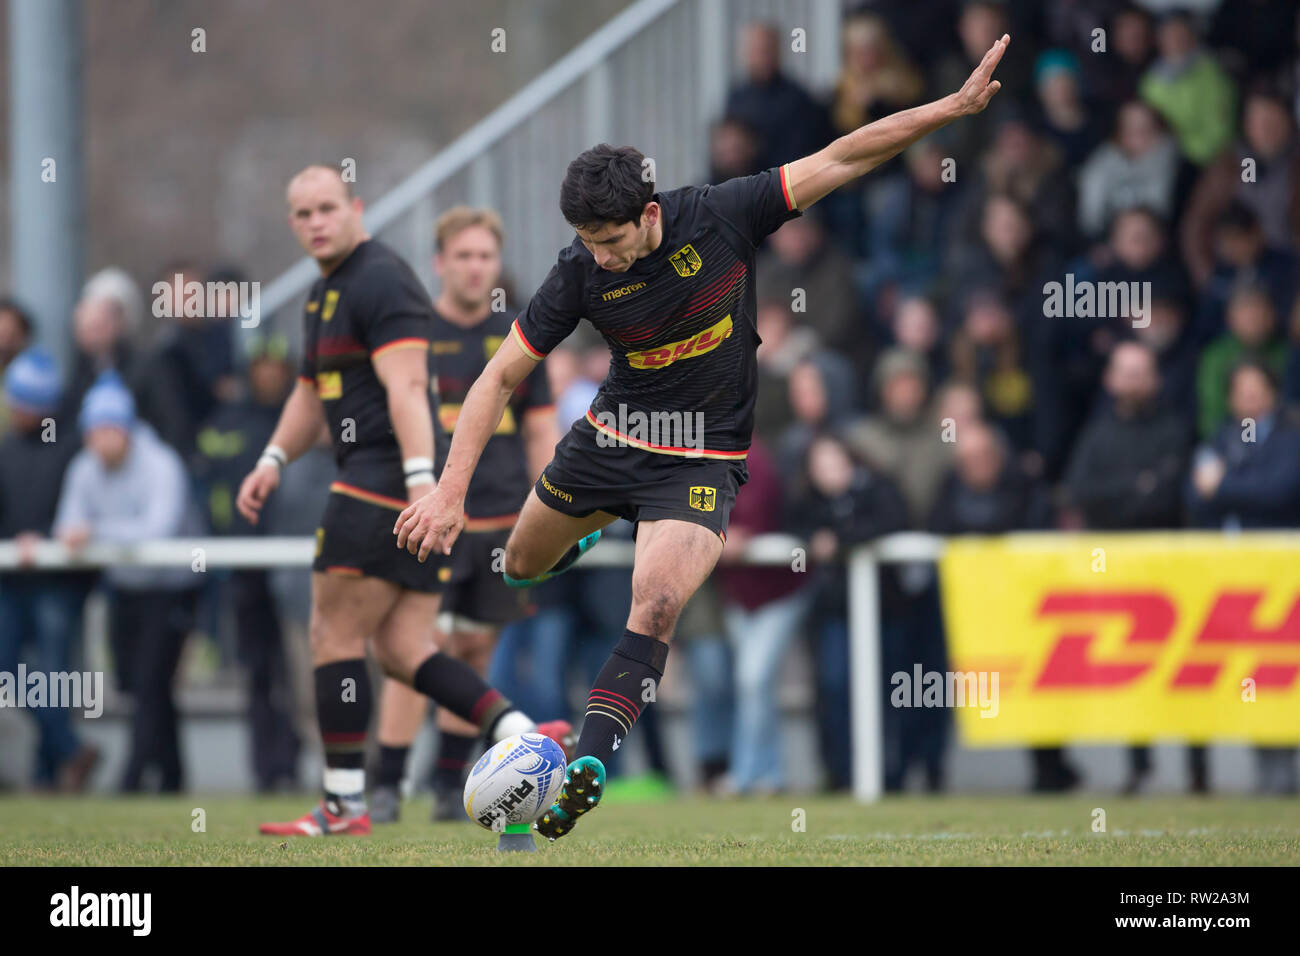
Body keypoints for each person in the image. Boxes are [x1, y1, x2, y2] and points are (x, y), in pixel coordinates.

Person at [396, 35, 1013, 841]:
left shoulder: (723, 214)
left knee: (654, 602)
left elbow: (845, 154)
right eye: (588, 242)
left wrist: (950, 109)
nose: (601, 259)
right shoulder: (578, 271)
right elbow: (497, 379)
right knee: (518, 565)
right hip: (612, 437)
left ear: (650, 215)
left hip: (703, 456)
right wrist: (448, 490)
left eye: (611, 241)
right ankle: (586, 534)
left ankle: (587, 764)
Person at [239, 166, 568, 837]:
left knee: (332, 633)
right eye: (302, 214)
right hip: (409, 493)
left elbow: (408, 385)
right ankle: (519, 729)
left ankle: (345, 804)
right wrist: (273, 458)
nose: (315, 222)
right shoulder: (324, 292)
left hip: (378, 486)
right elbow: (311, 392)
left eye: (327, 207)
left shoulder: (379, 278)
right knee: (403, 649)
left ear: (356, 207)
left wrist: (423, 487)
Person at [369, 206, 560, 823]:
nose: (477, 268)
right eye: (465, 256)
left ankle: (450, 784)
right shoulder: (413, 336)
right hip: (430, 524)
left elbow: (538, 432)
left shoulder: (520, 335)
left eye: (486, 257)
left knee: (475, 650)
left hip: (501, 523)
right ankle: (387, 782)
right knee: (415, 652)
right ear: (440, 263)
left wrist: (548, 509)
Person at [53, 372, 202, 792]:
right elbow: (68, 523)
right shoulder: (84, 468)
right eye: (93, 432)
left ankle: (133, 778)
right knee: (138, 685)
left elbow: (159, 529)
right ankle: (173, 776)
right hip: (127, 589)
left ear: (126, 429)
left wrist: (95, 532)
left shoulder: (162, 463)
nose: (100, 441)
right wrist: (86, 532)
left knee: (152, 679)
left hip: (173, 587)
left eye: (108, 430)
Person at [192, 333, 302, 792]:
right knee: (258, 669)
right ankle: (267, 768)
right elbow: (208, 488)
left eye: (277, 365)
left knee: (300, 669)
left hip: (298, 568)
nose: (269, 374)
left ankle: (301, 764)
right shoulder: (225, 424)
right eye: (261, 365)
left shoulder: (302, 422)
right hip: (244, 567)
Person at [0, 348, 98, 790]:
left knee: (54, 674)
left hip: (57, 580)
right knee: (8, 670)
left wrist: (44, 537)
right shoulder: (6, 450)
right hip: (11, 579)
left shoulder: (72, 448)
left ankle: (50, 770)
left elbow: (81, 509)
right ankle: (70, 750)